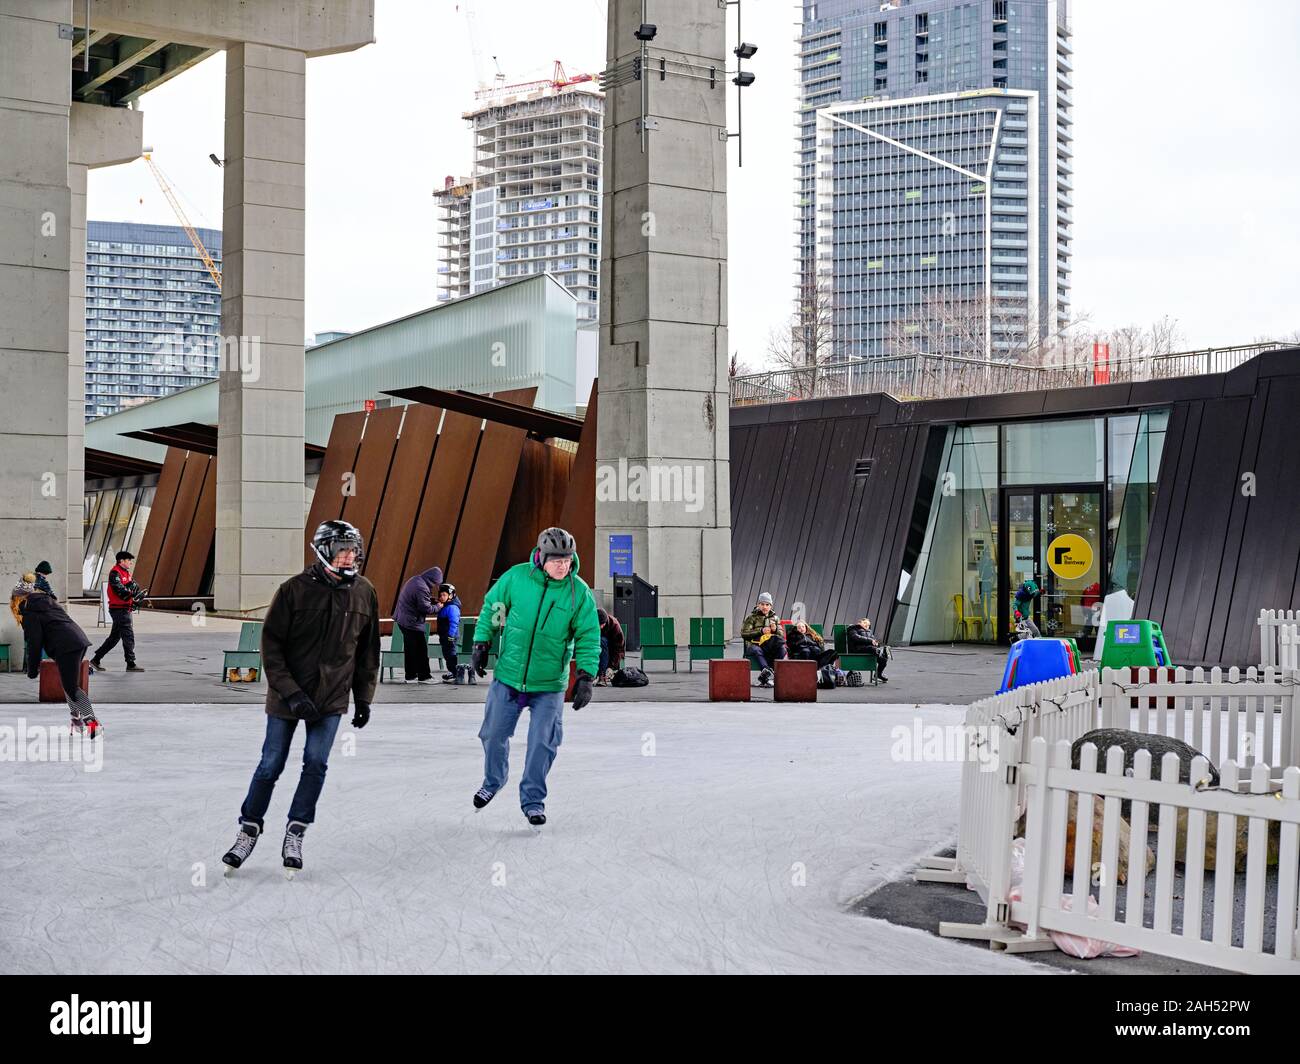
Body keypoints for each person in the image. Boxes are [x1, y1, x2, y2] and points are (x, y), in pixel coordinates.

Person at [221, 520, 380, 877]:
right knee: (270, 763)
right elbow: (272, 647)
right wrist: (291, 694)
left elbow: (367, 652)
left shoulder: (364, 592)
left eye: (353, 549)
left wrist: (364, 698)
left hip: (331, 699)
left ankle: (296, 830)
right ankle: (249, 828)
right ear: (324, 551)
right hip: (287, 697)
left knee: (316, 762)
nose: (349, 556)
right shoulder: (294, 590)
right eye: (342, 549)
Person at [469, 527, 600, 827]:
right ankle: (493, 781)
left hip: (549, 684)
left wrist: (586, 676)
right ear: (541, 557)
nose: (562, 565)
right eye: (556, 559)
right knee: (493, 734)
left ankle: (532, 800)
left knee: (543, 742)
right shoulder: (516, 578)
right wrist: (481, 642)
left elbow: (589, 636)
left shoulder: (578, 593)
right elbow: (494, 608)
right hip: (509, 676)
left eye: (567, 559)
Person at [17, 580, 99, 737]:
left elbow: (35, 643)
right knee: (68, 683)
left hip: (65, 647)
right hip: (78, 640)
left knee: (71, 688)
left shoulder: (29, 611)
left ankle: (92, 722)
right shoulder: (48, 601)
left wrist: (32, 669)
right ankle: (76, 720)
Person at [90, 550, 146, 673]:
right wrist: (132, 595)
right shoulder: (115, 573)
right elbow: (119, 590)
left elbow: (132, 587)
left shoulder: (126, 573)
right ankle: (130, 663)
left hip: (124, 608)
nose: (130, 563)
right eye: (128, 560)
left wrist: (137, 595)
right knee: (128, 635)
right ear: (121, 561)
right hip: (119, 609)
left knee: (114, 637)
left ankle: (96, 659)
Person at [393, 565, 443, 683]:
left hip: (403, 619)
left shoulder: (416, 580)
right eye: (436, 583)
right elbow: (425, 608)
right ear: (432, 579)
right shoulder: (422, 588)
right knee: (421, 650)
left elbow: (419, 599)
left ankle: (410, 676)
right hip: (411, 622)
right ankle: (424, 676)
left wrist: (431, 600)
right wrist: (438, 606)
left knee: (410, 649)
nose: (436, 585)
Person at [741, 592, 786, 686]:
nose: (765, 607)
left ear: (771, 606)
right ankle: (767, 673)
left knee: (782, 649)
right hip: (754, 645)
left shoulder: (775, 618)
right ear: (758, 605)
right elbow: (744, 633)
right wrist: (761, 631)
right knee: (757, 650)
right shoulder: (751, 617)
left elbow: (781, 635)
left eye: (767, 604)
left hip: (770, 646)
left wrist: (775, 629)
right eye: (762, 604)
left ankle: (767, 675)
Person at [435, 582, 464, 683]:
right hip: (444, 636)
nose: (442, 597)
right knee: (447, 654)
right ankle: (453, 671)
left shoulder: (452, 607)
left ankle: (457, 674)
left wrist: (451, 635)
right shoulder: (445, 606)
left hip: (450, 636)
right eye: (440, 595)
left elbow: (454, 623)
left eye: (444, 595)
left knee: (451, 654)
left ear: (451, 595)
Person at [847, 617, 890, 682]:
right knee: (874, 650)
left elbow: (874, 640)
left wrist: (876, 643)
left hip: (868, 649)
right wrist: (871, 641)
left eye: (868, 624)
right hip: (858, 649)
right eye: (865, 623)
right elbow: (856, 638)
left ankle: (878, 674)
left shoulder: (869, 631)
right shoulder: (853, 629)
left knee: (883, 658)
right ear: (859, 623)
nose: (867, 625)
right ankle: (879, 653)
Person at [596, 608, 624, 686]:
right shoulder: (590, 623)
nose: (601, 627)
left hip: (611, 651)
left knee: (602, 640)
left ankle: (602, 676)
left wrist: (611, 667)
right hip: (595, 649)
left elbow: (619, 649)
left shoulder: (615, 625)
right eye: (598, 625)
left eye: (602, 624)